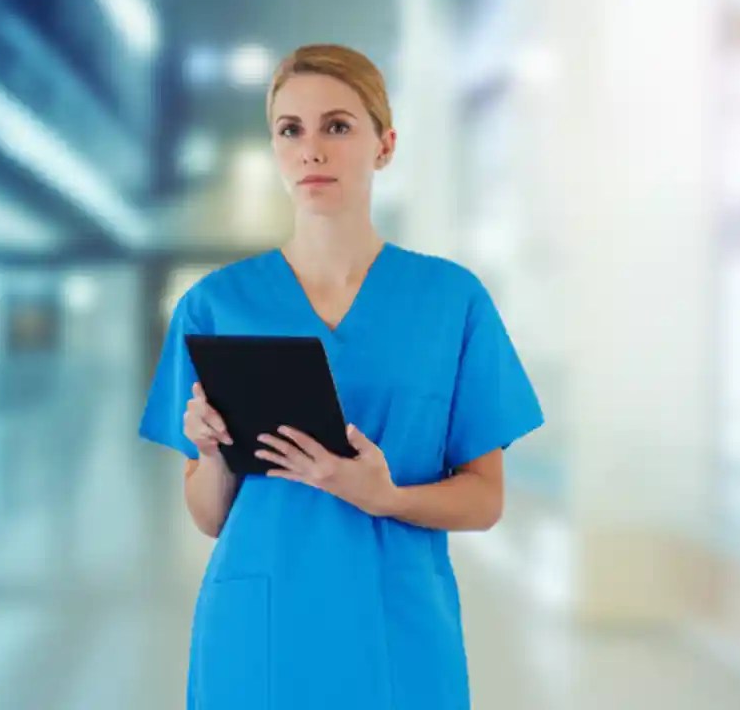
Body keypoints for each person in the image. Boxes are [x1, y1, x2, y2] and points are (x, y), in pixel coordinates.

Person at [138, 43, 544, 710]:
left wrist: (386, 496)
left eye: (337, 126)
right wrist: (211, 453)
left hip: (397, 620)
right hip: (259, 626)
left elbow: (485, 498)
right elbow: (209, 516)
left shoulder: (451, 301)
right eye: (289, 130)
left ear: (384, 145)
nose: (311, 150)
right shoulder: (215, 306)